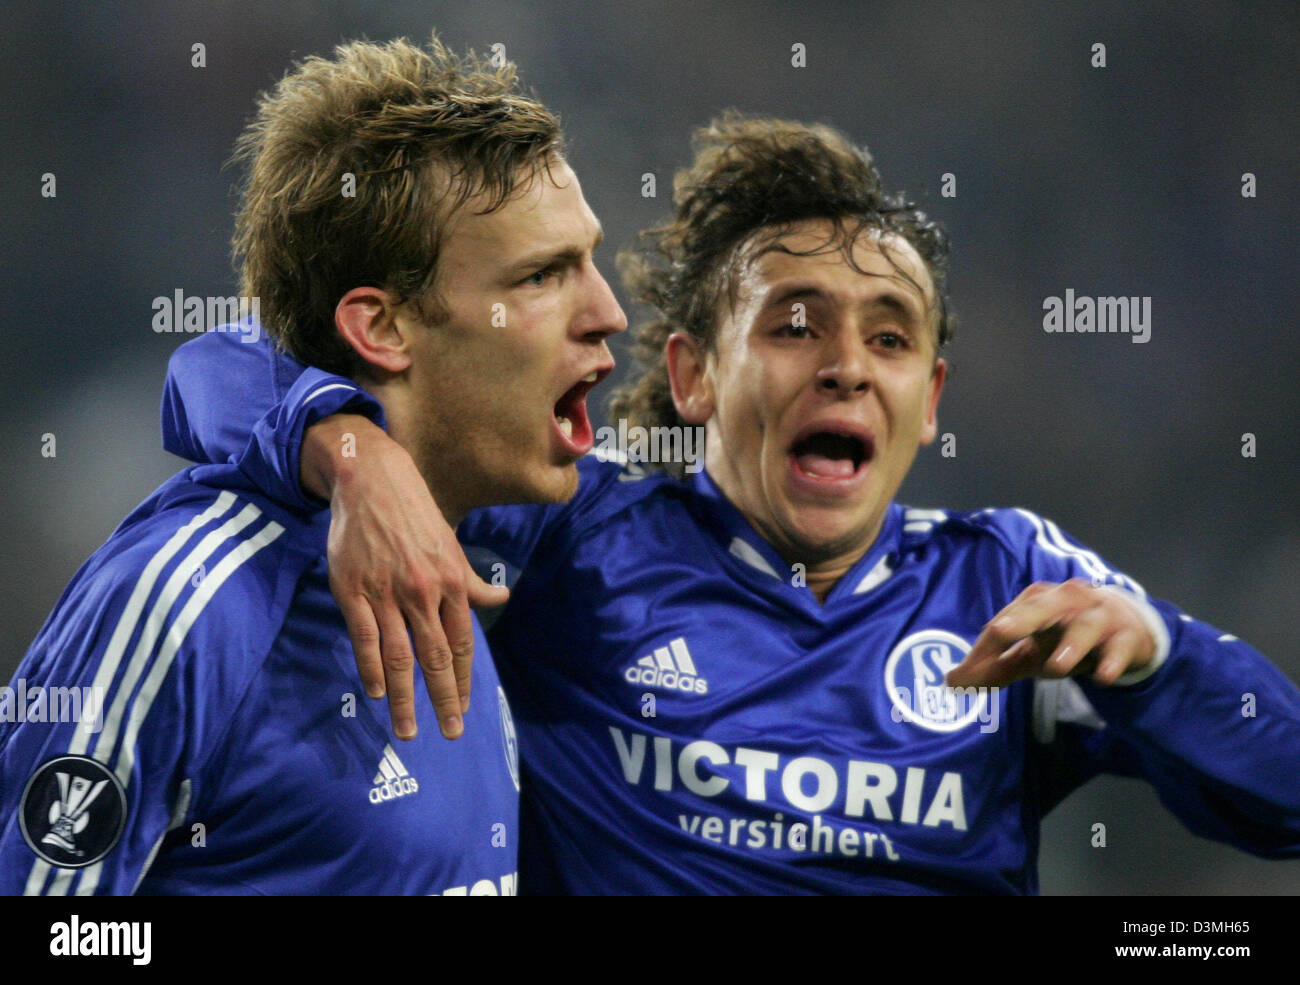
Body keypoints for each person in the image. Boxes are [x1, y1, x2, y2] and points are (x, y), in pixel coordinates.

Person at [162, 115, 1300, 894]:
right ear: (696, 375)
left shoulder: (1003, 583)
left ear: (929, 399)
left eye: (891, 338)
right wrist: (356, 455)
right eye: (795, 324)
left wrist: (1157, 664)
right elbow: (214, 370)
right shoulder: (579, 543)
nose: (848, 365)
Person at [0, 34, 624, 895]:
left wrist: (343, 440)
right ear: (383, 328)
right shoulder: (186, 603)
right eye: (542, 277)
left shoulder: (496, 548)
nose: (609, 312)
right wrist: (348, 444)